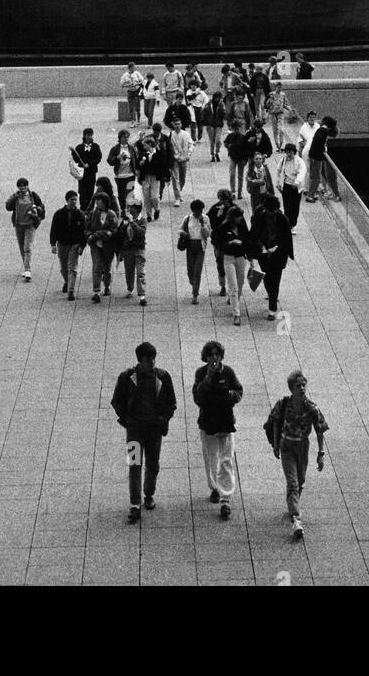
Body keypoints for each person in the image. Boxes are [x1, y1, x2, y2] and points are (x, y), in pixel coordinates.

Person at [110, 342, 177, 524]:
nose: (152, 362)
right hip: (135, 430)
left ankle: (148, 493)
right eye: (148, 359)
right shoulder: (127, 377)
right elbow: (117, 401)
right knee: (134, 464)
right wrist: (127, 420)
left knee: (153, 464)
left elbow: (171, 403)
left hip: (155, 429)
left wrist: (163, 419)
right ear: (140, 360)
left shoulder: (163, 377)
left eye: (154, 358)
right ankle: (134, 504)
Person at [269, 369, 329, 540]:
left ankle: (292, 504)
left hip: (302, 446)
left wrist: (321, 453)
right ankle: (296, 519)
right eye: (298, 385)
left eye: (304, 385)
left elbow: (320, 430)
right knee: (293, 482)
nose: (302, 388)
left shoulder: (311, 408)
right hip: (287, 445)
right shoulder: (283, 404)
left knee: (300, 481)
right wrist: (275, 443)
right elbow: (275, 421)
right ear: (291, 388)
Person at [192, 341, 244, 520]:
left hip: (226, 422)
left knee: (226, 459)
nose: (214, 358)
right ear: (206, 357)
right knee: (211, 459)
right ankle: (214, 486)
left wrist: (229, 395)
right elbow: (198, 397)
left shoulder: (228, 372)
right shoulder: (201, 373)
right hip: (208, 423)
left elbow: (238, 391)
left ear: (221, 356)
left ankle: (226, 498)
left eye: (217, 354)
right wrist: (208, 378)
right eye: (211, 355)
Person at [250, 195, 294, 320]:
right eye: (268, 211)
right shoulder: (259, 218)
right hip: (263, 253)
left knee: (275, 279)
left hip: (279, 254)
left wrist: (277, 247)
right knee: (267, 278)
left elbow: (286, 237)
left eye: (273, 211)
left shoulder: (282, 219)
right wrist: (261, 246)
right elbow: (254, 235)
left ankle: (272, 307)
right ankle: (271, 294)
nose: (271, 214)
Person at [211, 199, 252, 326]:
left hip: (241, 257)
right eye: (239, 217)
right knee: (233, 285)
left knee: (240, 283)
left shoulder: (242, 226)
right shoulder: (223, 227)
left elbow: (248, 239)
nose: (241, 219)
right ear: (233, 218)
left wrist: (249, 255)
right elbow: (216, 241)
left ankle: (235, 301)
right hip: (228, 257)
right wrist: (229, 243)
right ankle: (236, 313)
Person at [5, 177, 45, 282]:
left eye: (24, 186)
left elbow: (42, 207)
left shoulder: (33, 196)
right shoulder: (16, 196)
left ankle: (27, 269)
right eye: (20, 186)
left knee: (27, 247)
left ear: (27, 186)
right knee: (22, 248)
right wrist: (14, 197)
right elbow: (8, 207)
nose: (22, 188)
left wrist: (36, 210)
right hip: (19, 225)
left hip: (30, 225)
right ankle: (26, 266)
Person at [49, 189, 86, 300]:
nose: (74, 202)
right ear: (67, 200)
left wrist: (82, 246)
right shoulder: (59, 214)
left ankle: (71, 290)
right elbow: (53, 229)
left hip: (74, 244)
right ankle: (67, 281)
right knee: (64, 267)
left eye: (75, 199)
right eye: (72, 199)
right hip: (62, 244)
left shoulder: (80, 214)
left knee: (72, 267)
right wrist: (53, 244)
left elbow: (84, 232)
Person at [86, 193, 120, 302]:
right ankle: (96, 291)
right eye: (96, 200)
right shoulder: (93, 213)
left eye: (99, 200)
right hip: (95, 245)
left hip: (108, 246)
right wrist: (89, 236)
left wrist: (99, 234)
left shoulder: (111, 214)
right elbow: (87, 228)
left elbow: (113, 231)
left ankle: (106, 286)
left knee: (107, 267)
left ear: (104, 202)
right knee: (96, 267)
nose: (96, 203)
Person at [207, 188, 238, 299]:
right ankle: (223, 285)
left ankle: (231, 287)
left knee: (230, 264)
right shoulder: (215, 208)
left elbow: (239, 224)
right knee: (220, 262)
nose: (221, 202)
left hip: (231, 241)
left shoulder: (234, 209)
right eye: (220, 199)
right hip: (218, 241)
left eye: (224, 199)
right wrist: (218, 216)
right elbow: (209, 222)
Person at [118, 195, 148, 305]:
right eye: (128, 207)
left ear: (137, 209)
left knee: (140, 272)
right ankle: (130, 288)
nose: (129, 209)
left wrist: (132, 222)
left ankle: (142, 295)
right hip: (128, 250)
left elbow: (141, 232)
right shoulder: (125, 220)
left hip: (139, 249)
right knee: (129, 271)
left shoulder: (142, 220)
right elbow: (120, 235)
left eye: (131, 207)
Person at [180, 199, 211, 304]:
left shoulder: (205, 218)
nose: (199, 213)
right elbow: (180, 230)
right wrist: (184, 234)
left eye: (201, 211)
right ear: (193, 210)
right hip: (190, 245)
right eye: (197, 211)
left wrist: (203, 224)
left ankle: (195, 294)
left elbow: (207, 234)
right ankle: (193, 283)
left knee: (198, 270)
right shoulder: (187, 218)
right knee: (190, 271)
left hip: (200, 247)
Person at [305, 116, 338, 201]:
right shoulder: (323, 131)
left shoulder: (321, 129)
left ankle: (311, 194)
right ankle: (310, 196)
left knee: (314, 177)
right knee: (316, 178)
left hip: (314, 155)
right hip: (316, 157)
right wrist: (323, 151)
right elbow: (320, 143)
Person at [276, 142, 307, 229]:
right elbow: (278, 171)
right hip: (286, 185)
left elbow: (302, 172)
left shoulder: (299, 161)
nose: (289, 154)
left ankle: (293, 224)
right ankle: (287, 224)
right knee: (287, 206)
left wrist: (297, 182)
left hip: (295, 187)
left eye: (291, 152)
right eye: (287, 152)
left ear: (294, 152)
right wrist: (278, 183)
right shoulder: (283, 160)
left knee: (295, 207)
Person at [70, 128, 102, 209]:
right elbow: (76, 159)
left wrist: (90, 164)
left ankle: (89, 208)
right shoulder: (79, 147)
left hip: (91, 172)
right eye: (88, 135)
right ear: (84, 136)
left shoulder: (95, 146)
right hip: (82, 173)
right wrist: (73, 151)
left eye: (91, 135)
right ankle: (83, 207)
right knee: (82, 191)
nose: (90, 137)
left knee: (90, 191)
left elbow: (98, 158)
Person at [107, 129, 137, 208]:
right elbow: (109, 161)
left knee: (130, 193)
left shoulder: (131, 148)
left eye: (127, 137)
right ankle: (123, 209)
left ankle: (129, 210)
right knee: (121, 195)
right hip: (120, 176)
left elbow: (136, 158)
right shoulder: (115, 149)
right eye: (124, 137)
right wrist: (117, 158)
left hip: (130, 175)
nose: (126, 139)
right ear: (120, 138)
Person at [169, 117, 193, 206]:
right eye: (176, 124)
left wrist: (189, 154)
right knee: (175, 179)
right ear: (173, 125)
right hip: (175, 160)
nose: (177, 126)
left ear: (181, 124)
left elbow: (191, 144)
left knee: (182, 178)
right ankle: (177, 197)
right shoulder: (170, 135)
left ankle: (179, 191)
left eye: (179, 124)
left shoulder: (186, 134)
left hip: (184, 159)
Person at [245, 150, 274, 219]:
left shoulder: (265, 168)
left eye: (260, 159)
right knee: (255, 212)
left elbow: (269, 180)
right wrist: (260, 182)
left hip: (265, 193)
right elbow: (249, 181)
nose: (258, 160)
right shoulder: (250, 170)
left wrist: (271, 192)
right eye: (256, 159)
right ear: (253, 160)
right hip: (255, 194)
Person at [224, 119, 248, 199]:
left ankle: (239, 192)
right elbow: (225, 142)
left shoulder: (242, 137)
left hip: (241, 158)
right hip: (232, 157)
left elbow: (246, 149)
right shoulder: (230, 136)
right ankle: (233, 191)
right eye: (235, 128)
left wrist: (245, 159)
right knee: (232, 174)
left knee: (240, 176)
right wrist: (228, 145)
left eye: (237, 128)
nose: (236, 130)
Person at [264, 81, 293, 148]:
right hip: (273, 114)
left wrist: (289, 109)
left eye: (280, 87)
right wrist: (270, 100)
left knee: (281, 129)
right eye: (278, 87)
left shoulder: (283, 95)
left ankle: (281, 142)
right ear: (275, 87)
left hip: (280, 114)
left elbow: (285, 104)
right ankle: (277, 143)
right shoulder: (271, 94)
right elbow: (266, 105)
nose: (279, 89)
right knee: (275, 130)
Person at [202, 88, 226, 161]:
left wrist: (221, 106)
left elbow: (224, 114)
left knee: (218, 140)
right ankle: (212, 154)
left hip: (218, 124)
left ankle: (217, 152)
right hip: (210, 125)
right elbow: (204, 113)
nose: (218, 99)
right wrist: (206, 123)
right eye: (217, 98)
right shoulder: (209, 105)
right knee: (212, 140)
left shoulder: (221, 105)